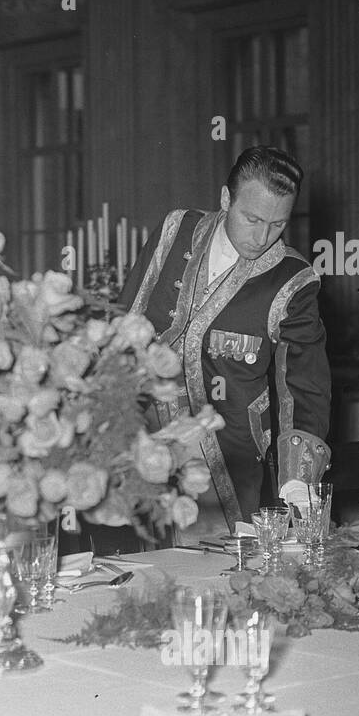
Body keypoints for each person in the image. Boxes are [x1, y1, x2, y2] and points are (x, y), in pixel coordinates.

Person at [115, 146, 331, 539]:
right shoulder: (175, 231)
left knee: (215, 565)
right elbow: (126, 320)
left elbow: (304, 385)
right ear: (226, 199)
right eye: (252, 219)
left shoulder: (293, 280)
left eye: (278, 224)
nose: (262, 237)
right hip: (140, 441)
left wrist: (298, 480)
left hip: (226, 460)